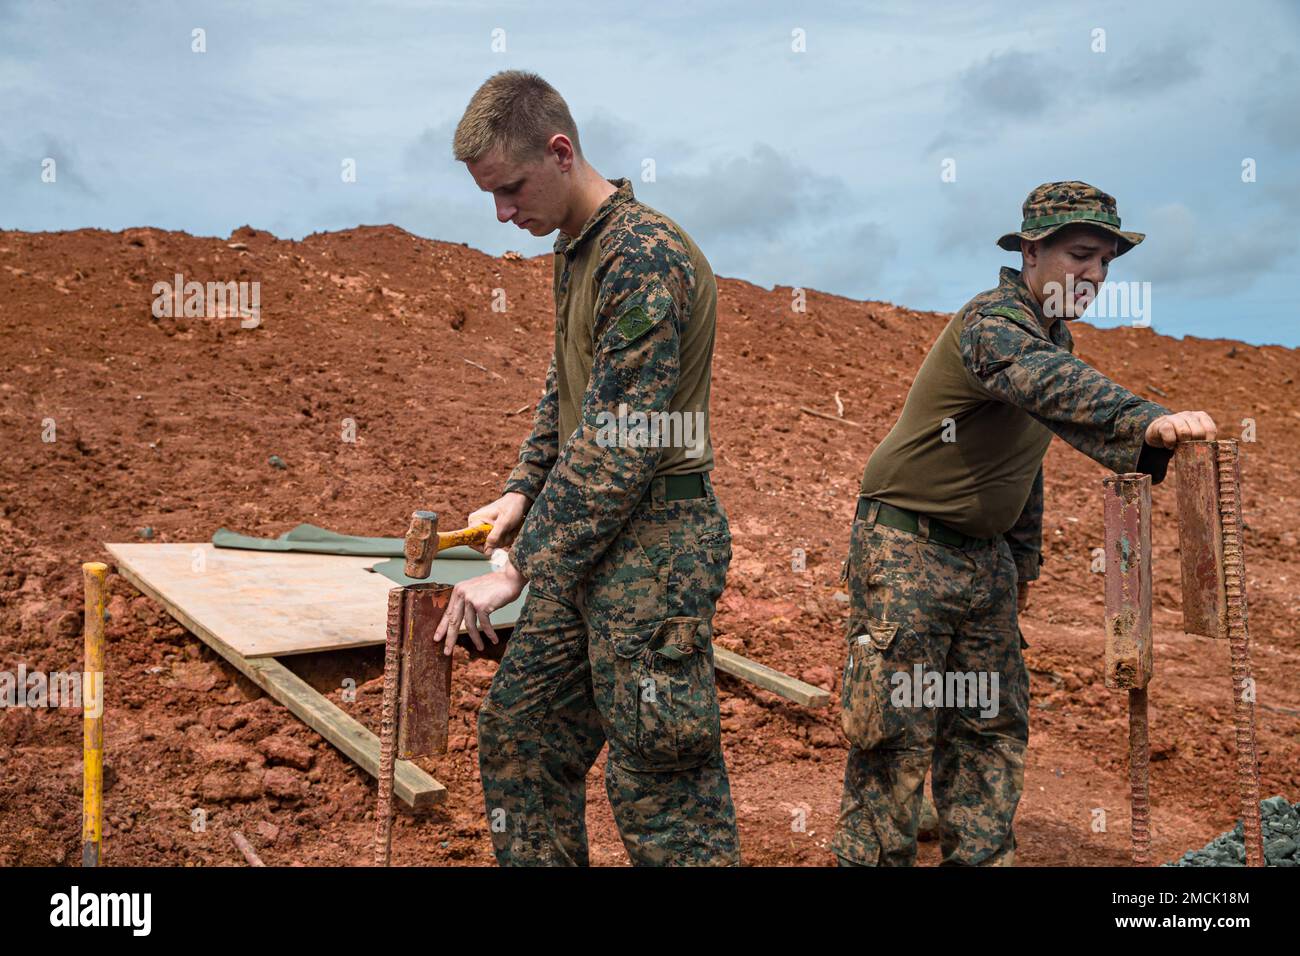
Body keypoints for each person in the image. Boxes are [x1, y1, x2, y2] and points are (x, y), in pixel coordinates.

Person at [833, 181, 1218, 866]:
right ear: (1032, 252)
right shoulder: (996, 324)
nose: (1095, 276)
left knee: (988, 726)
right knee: (894, 733)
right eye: (1080, 256)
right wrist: (1145, 421)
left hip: (983, 560)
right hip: (904, 545)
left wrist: (1022, 563)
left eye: (1106, 262)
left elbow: (1021, 460)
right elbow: (1043, 385)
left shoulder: (1053, 338)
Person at [433, 70, 739, 866]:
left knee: (661, 790)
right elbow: (563, 388)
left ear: (561, 151)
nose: (503, 214)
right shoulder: (579, 253)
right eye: (489, 197)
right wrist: (521, 491)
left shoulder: (642, 255)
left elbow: (618, 438)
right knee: (523, 736)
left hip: (654, 547)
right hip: (589, 545)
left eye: (511, 188)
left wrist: (518, 570)